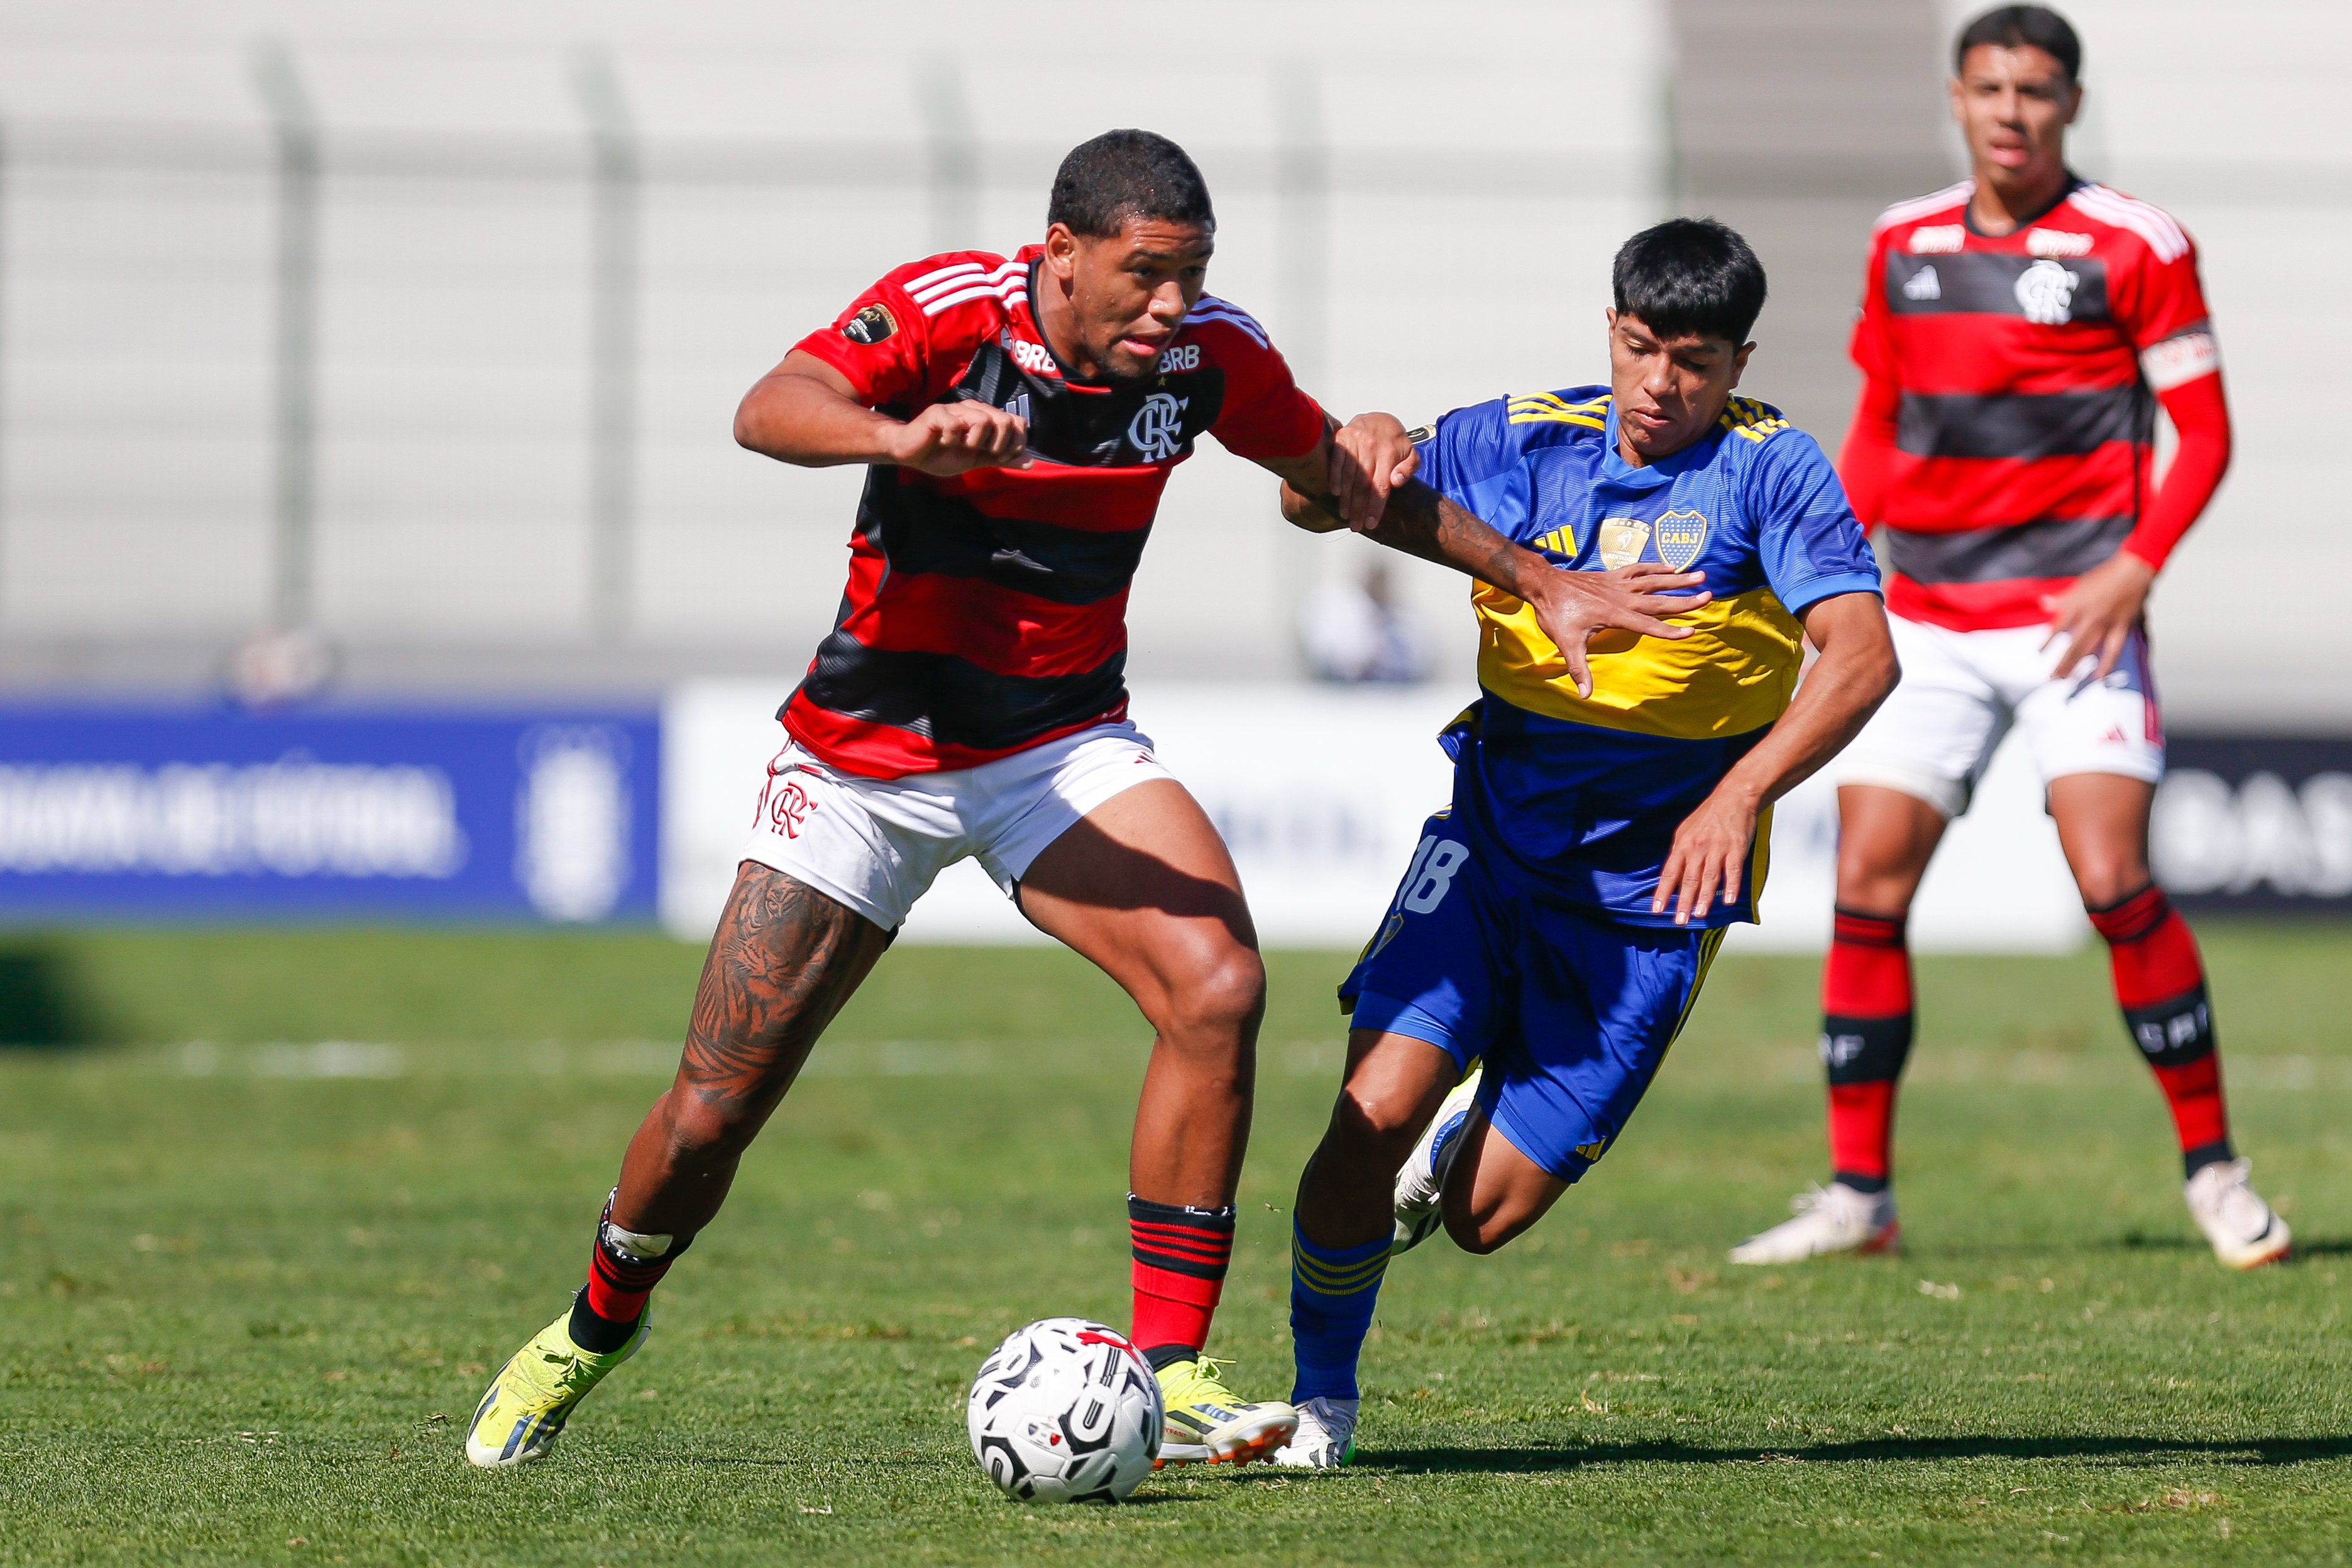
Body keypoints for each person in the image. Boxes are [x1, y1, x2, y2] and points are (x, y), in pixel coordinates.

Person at [465, 129, 1415, 1471]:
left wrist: (1372, 451)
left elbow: (1324, 480)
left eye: (1190, 276)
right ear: (1060, 254)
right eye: (1145, 275)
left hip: (1057, 745)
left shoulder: (1207, 355)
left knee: (1215, 988)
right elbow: (769, 404)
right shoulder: (943, 311)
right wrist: (901, 438)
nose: (1169, 304)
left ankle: (1172, 1363)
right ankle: (582, 1338)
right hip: (865, 759)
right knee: (712, 1109)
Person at [1264, 219, 1899, 1468]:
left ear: (1739, 362)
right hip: (1494, 840)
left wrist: (1740, 795)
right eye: (1639, 348)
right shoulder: (1522, 437)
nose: (1660, 385)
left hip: (1653, 893)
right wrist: (1370, 437)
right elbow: (1307, 502)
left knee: (1485, 1218)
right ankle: (1318, 1404)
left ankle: (1460, 1137)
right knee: (1366, 1113)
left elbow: (1864, 657)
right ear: (1609, 331)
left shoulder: (1768, 472)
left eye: (1696, 362)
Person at [1727, 6, 2282, 1271]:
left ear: (2068, 104)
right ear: (1956, 96)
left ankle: (2214, 1172)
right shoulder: (1899, 241)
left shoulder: (2134, 245)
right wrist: (1834, 577)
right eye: (1988, 89)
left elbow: (2203, 434)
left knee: (2109, 880)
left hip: (2068, 623)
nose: (2009, 113)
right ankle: (1855, 1195)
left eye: (2033, 92)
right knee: (1866, 883)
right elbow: (1878, 425)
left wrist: (2131, 569)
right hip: (1920, 614)